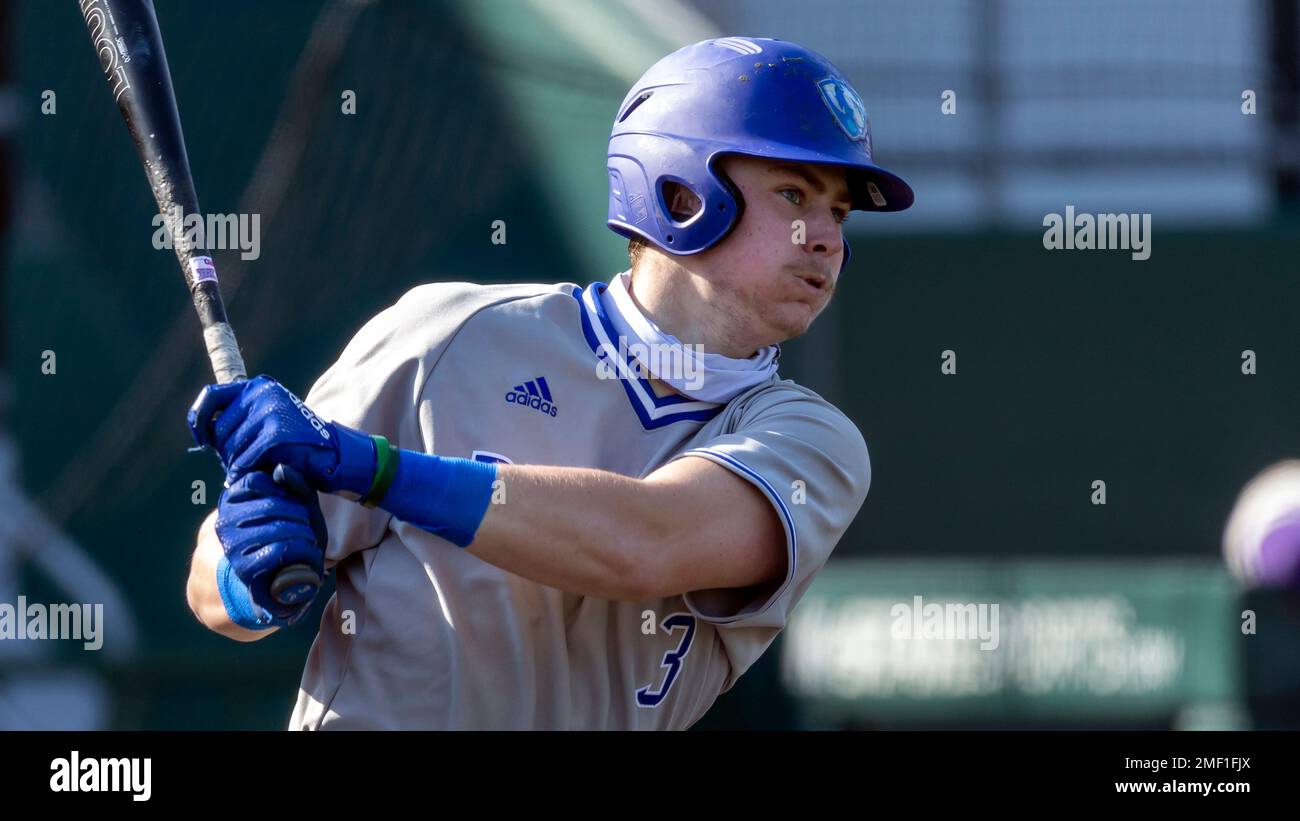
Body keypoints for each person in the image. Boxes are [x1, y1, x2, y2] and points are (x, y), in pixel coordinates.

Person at [184, 36, 914, 729]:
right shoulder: (449, 336)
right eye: (794, 195)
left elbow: (641, 544)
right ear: (681, 193)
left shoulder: (811, 443)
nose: (826, 237)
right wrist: (244, 579)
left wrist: (375, 470)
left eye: (839, 212)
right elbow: (213, 581)